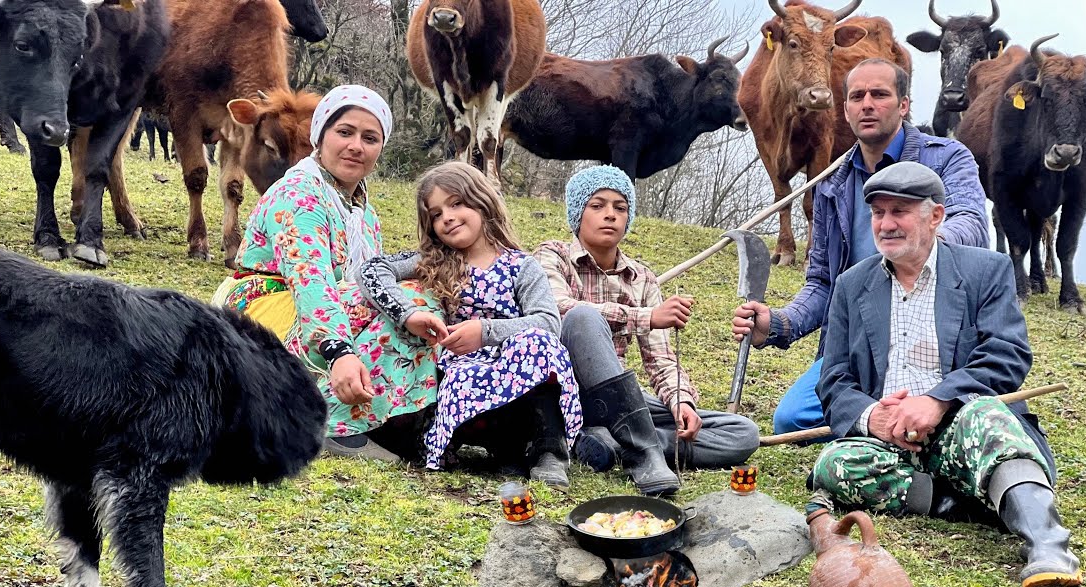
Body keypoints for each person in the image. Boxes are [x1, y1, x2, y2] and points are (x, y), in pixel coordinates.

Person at [808, 161, 1080, 587]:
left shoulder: (985, 271)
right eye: (879, 213)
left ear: (935, 216)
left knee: (985, 416)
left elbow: (1007, 357)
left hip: (961, 424)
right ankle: (960, 502)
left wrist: (936, 401)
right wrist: (871, 418)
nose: (886, 224)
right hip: (892, 440)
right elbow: (834, 377)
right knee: (834, 465)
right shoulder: (850, 285)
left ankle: (1048, 544)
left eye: (900, 211)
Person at [732, 58, 990, 437]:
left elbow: (971, 223)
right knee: (790, 420)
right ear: (846, 110)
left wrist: (919, 246)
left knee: (955, 412)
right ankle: (880, 411)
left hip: (933, 333)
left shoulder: (948, 157)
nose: (867, 104)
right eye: (857, 96)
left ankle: (913, 408)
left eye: (880, 94)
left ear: (904, 105)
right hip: (859, 344)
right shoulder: (830, 182)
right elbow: (823, 283)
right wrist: (779, 324)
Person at [212, 85, 440, 461]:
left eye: (370, 138)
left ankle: (374, 416)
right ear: (320, 136)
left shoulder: (362, 211)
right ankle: (326, 421)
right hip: (260, 315)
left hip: (322, 310)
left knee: (412, 300)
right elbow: (311, 282)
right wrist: (339, 355)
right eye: (344, 132)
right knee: (391, 301)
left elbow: (370, 280)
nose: (356, 146)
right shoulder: (299, 193)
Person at [535, 166, 760, 497]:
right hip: (559, 395)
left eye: (620, 208)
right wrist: (646, 316)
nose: (609, 215)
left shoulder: (642, 278)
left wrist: (681, 401)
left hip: (616, 404)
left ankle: (616, 441)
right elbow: (557, 310)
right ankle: (643, 453)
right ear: (577, 214)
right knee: (583, 317)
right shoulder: (551, 256)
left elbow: (661, 359)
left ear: (629, 218)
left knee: (743, 432)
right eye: (597, 206)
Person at [355, 162, 582, 486]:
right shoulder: (434, 261)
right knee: (454, 374)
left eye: (456, 203)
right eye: (435, 213)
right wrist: (410, 314)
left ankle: (548, 449)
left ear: (483, 203)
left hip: (516, 362)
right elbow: (371, 271)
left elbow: (548, 322)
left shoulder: (521, 265)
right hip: (461, 368)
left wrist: (486, 332)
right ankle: (503, 448)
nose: (446, 216)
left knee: (538, 345)